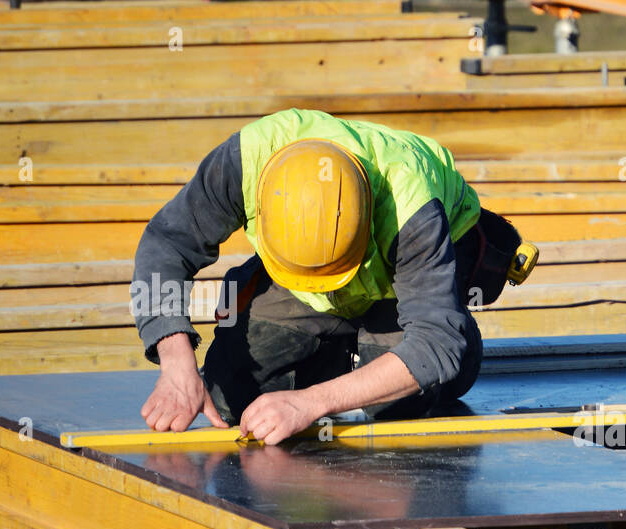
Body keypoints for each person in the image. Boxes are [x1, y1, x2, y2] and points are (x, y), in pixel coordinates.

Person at [131, 108, 533, 445]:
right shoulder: (245, 162)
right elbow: (167, 245)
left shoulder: (411, 206)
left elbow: (432, 345)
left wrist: (310, 403)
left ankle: (457, 333)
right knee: (228, 398)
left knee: (397, 406)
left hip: (396, 286)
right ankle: (342, 352)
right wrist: (176, 360)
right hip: (298, 290)